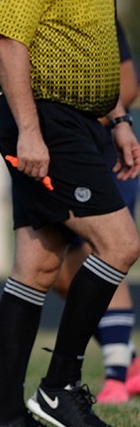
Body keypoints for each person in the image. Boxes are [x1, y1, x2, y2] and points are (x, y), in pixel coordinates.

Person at [0, 0, 140, 427]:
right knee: (120, 243)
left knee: (38, 267)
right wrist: (30, 130)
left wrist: (118, 118)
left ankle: (7, 414)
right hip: (47, 122)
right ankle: (59, 388)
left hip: (84, 123)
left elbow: (100, 43)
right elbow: (9, 39)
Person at [51, 20, 140, 405]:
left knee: (105, 249)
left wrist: (85, 117)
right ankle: (130, 358)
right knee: (56, 271)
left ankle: (116, 378)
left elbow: (128, 85)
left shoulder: (95, 14)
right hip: (56, 151)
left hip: (97, 150)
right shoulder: (40, 25)